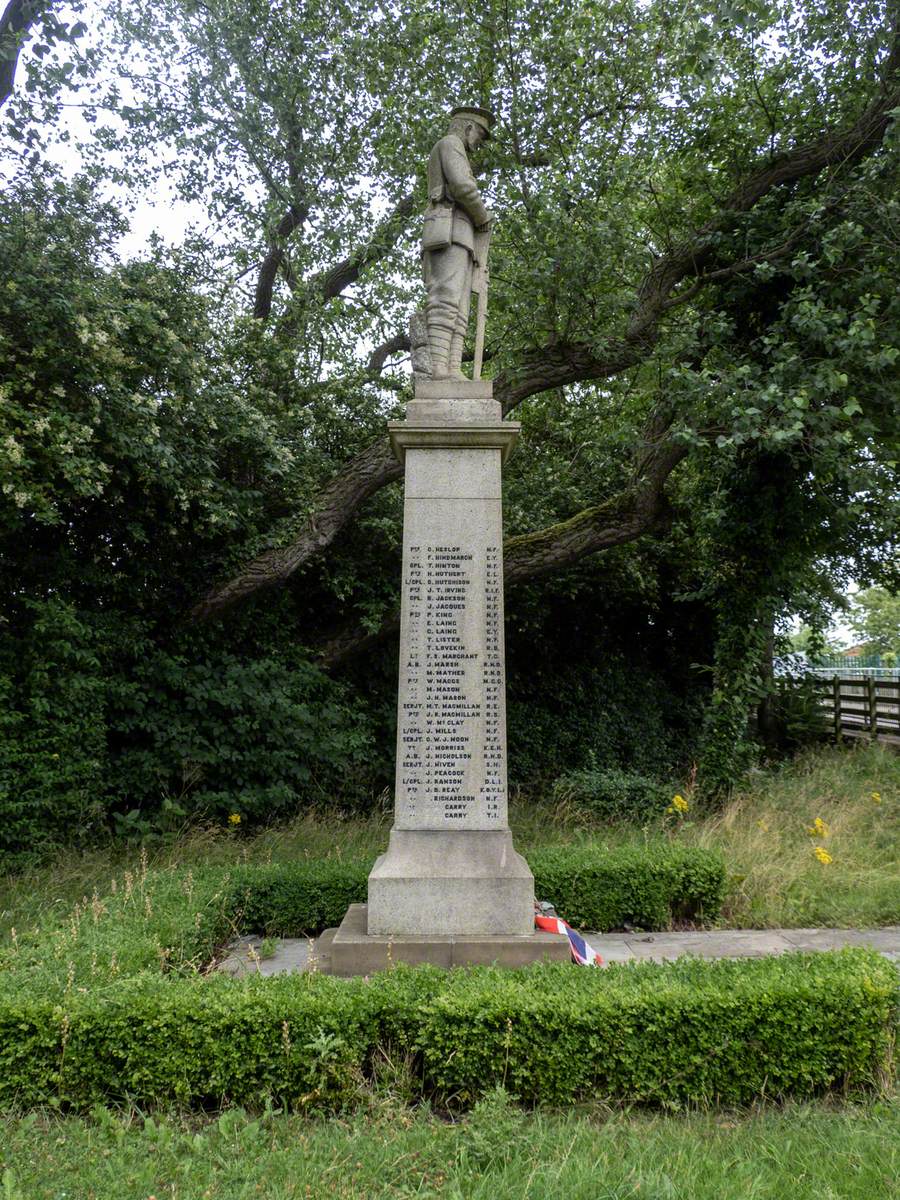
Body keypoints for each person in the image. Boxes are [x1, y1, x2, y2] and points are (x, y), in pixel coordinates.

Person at [421, 106, 495, 380]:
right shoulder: (450, 144)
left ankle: (452, 369)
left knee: (460, 308)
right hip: (447, 233)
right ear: (468, 128)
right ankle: (438, 368)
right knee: (446, 300)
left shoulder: (457, 149)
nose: (479, 143)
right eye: (480, 135)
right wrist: (483, 216)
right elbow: (463, 187)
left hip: (462, 237)